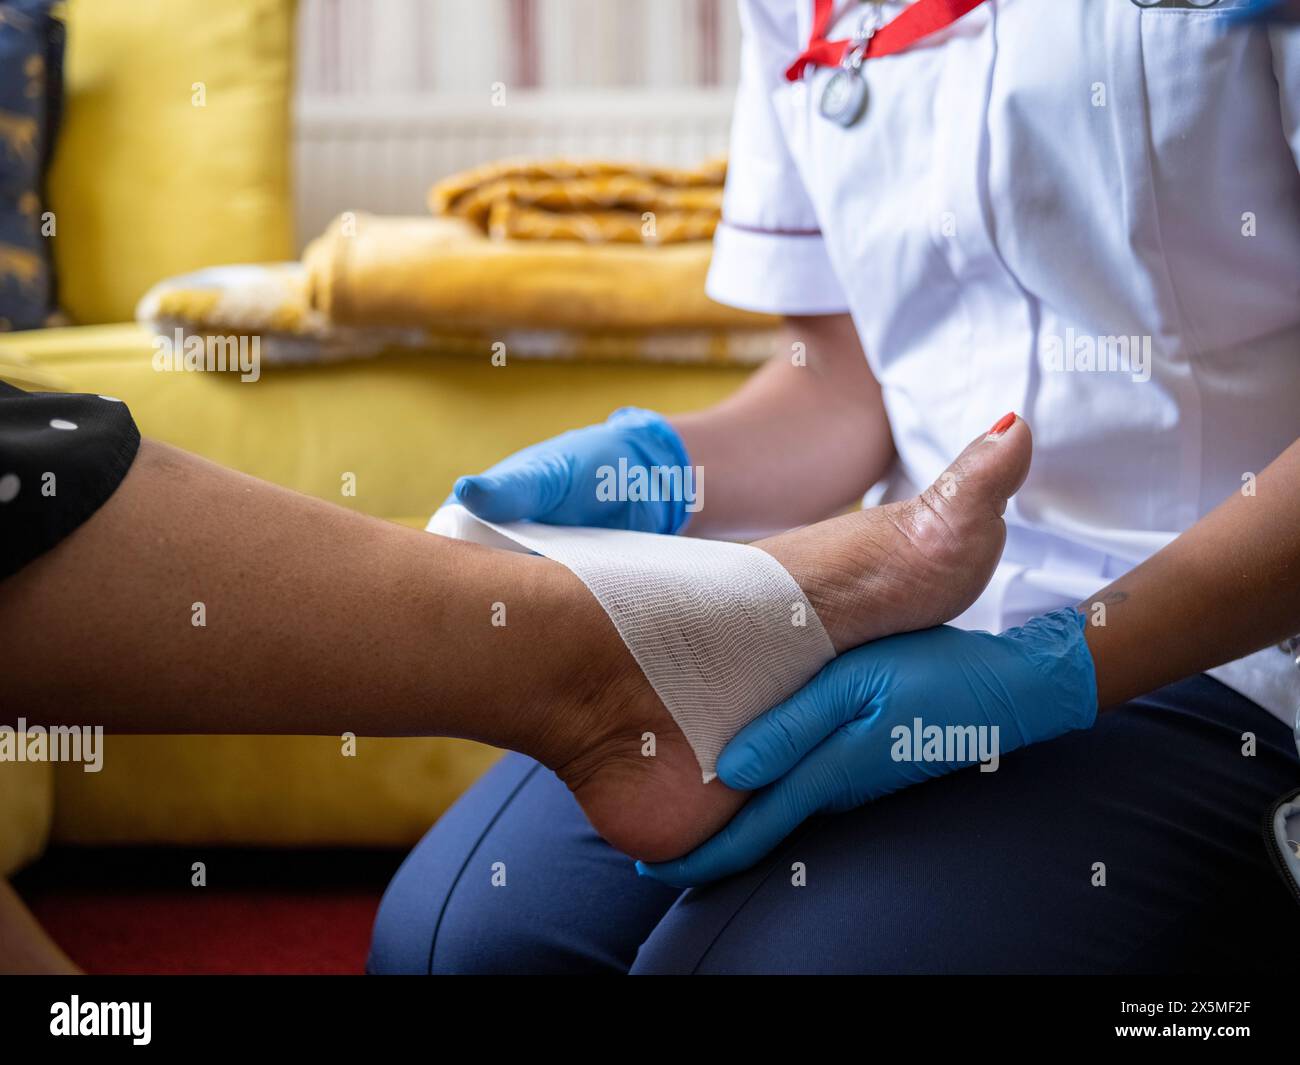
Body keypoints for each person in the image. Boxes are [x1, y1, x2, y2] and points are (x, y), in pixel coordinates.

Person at [368, 0, 1300, 974]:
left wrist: (1062, 665)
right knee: (461, 942)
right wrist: (655, 468)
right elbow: (843, 380)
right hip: (891, 603)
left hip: (1229, 657)